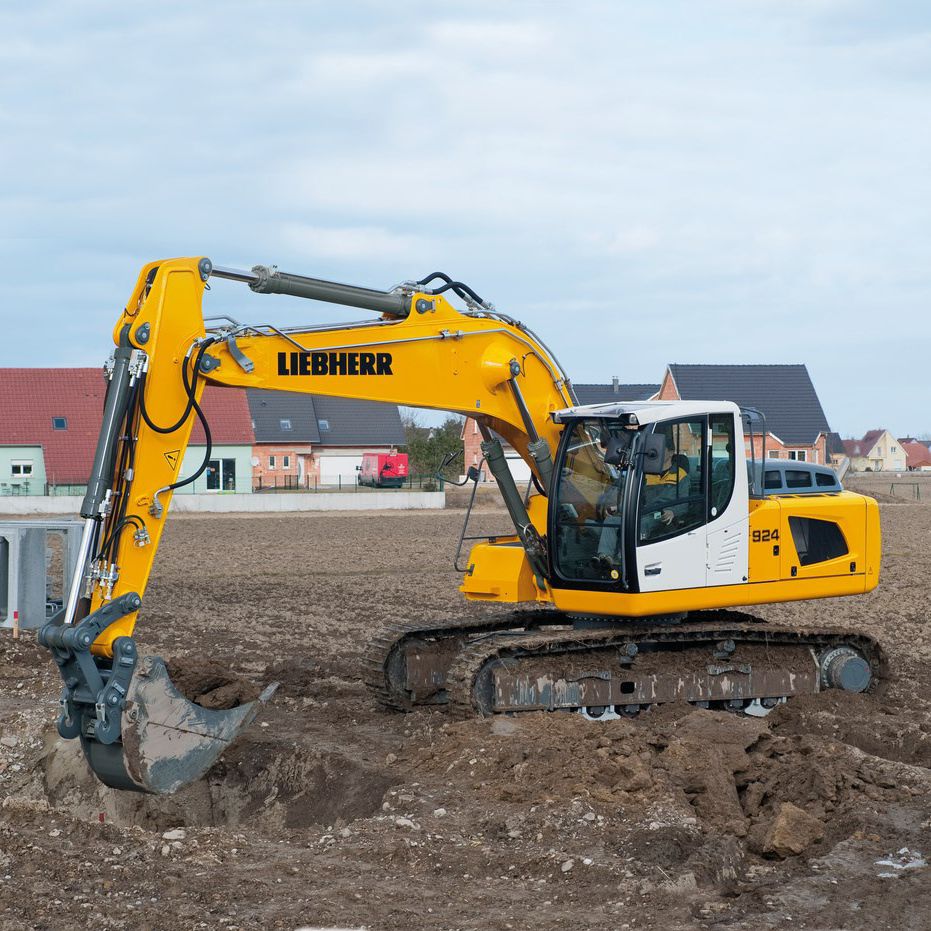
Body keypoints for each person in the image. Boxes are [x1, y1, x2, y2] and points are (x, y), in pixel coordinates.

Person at [640, 443, 690, 538]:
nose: (656, 451)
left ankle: (637, 547)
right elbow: (638, 498)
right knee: (612, 522)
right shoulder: (647, 474)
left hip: (661, 515)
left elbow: (684, 504)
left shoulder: (681, 475)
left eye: (661, 448)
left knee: (641, 523)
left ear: (671, 452)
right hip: (644, 512)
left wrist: (672, 512)